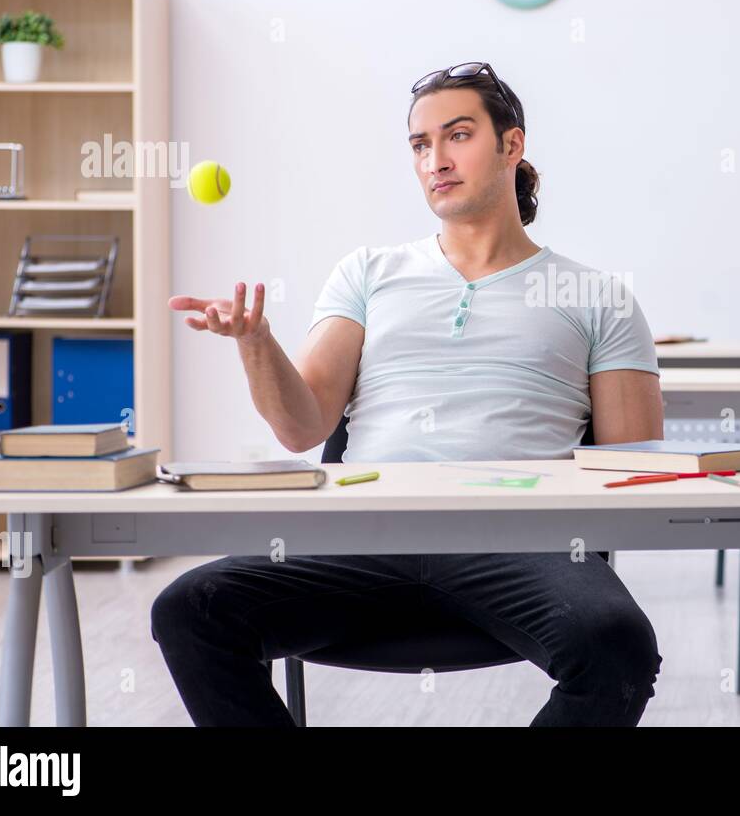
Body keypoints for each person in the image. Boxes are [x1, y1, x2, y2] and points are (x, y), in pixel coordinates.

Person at [152, 62, 665, 726]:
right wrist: (257, 343)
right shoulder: (368, 272)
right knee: (190, 609)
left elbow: (634, 470)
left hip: (521, 542)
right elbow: (302, 426)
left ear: (512, 144)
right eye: (421, 144)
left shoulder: (597, 296)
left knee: (618, 643)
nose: (435, 159)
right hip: (362, 536)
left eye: (457, 135)